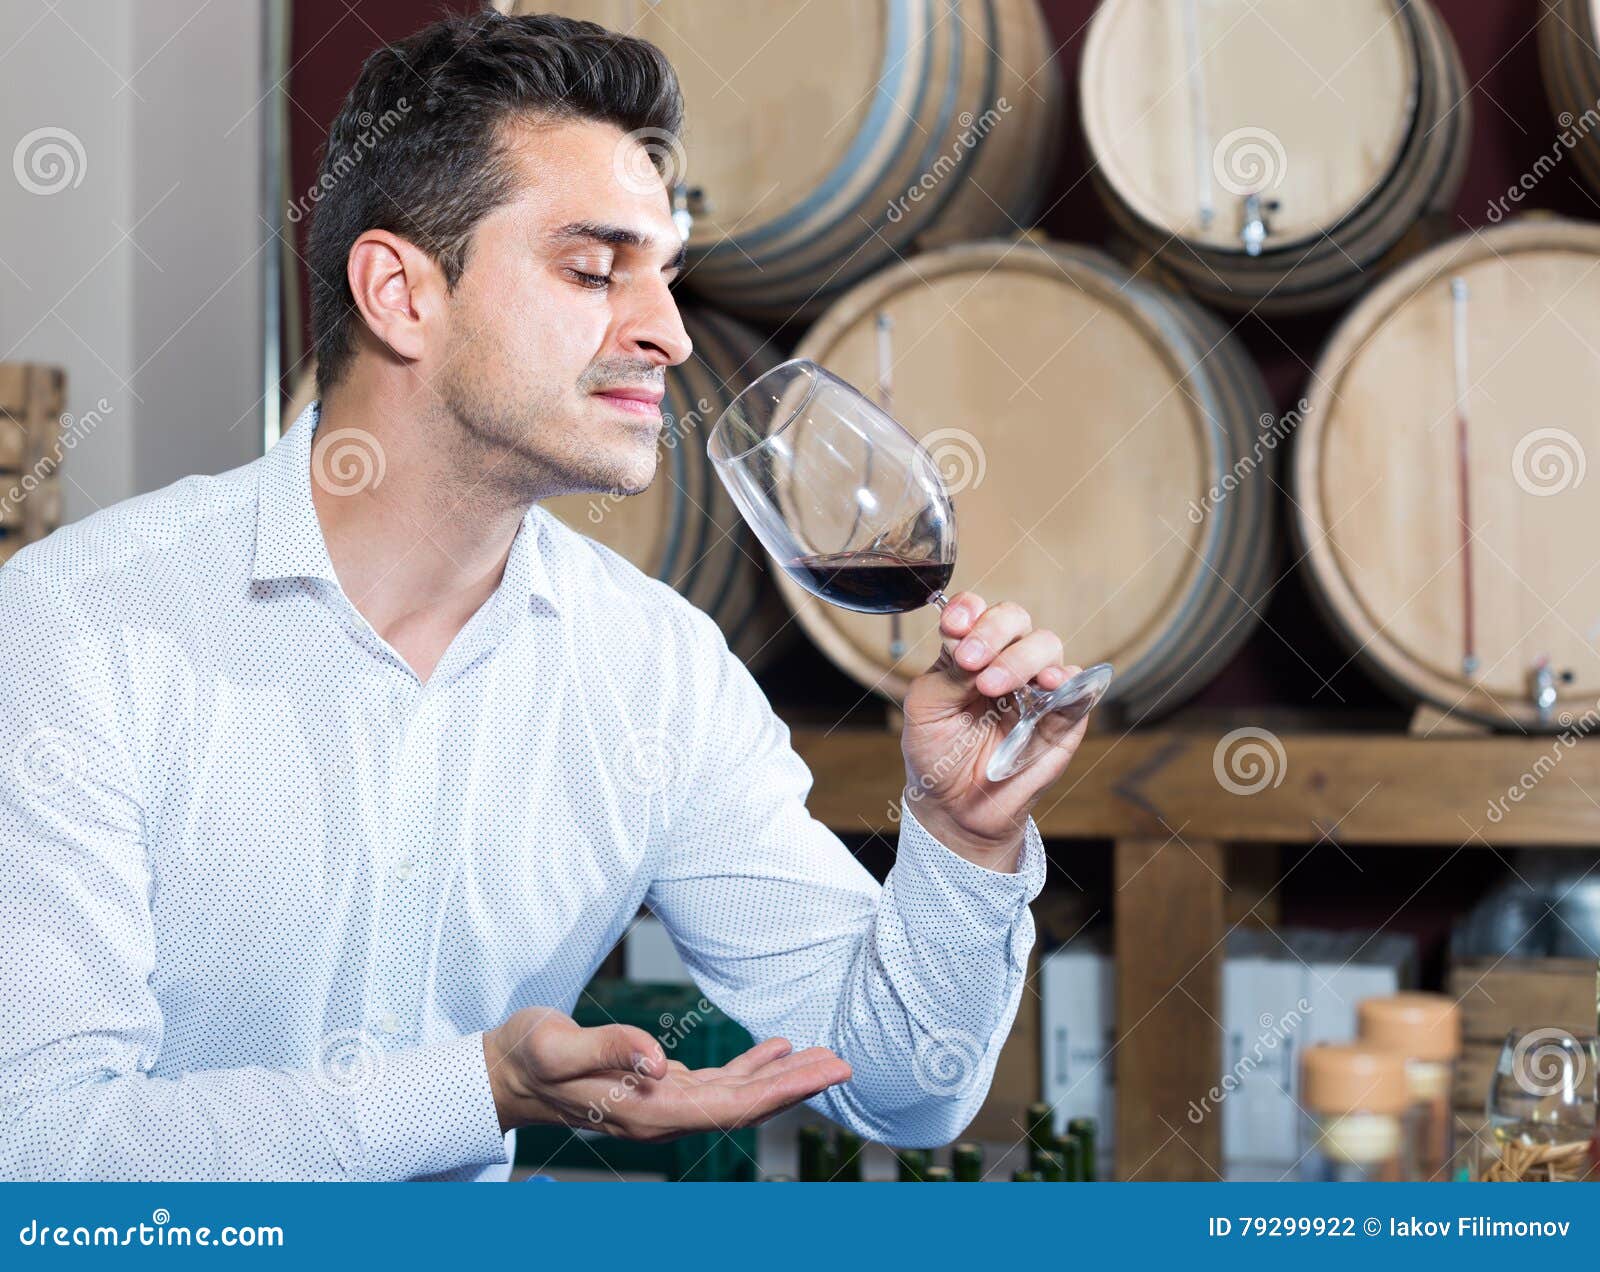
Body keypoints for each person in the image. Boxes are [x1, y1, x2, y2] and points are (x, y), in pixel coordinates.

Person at [0, 10, 1088, 1182]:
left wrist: (962, 843)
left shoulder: (657, 669)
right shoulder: (83, 625)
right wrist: (480, 1089)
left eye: (666, 277)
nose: (669, 333)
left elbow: (901, 1089)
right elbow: (41, 1146)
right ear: (401, 293)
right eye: (591, 270)